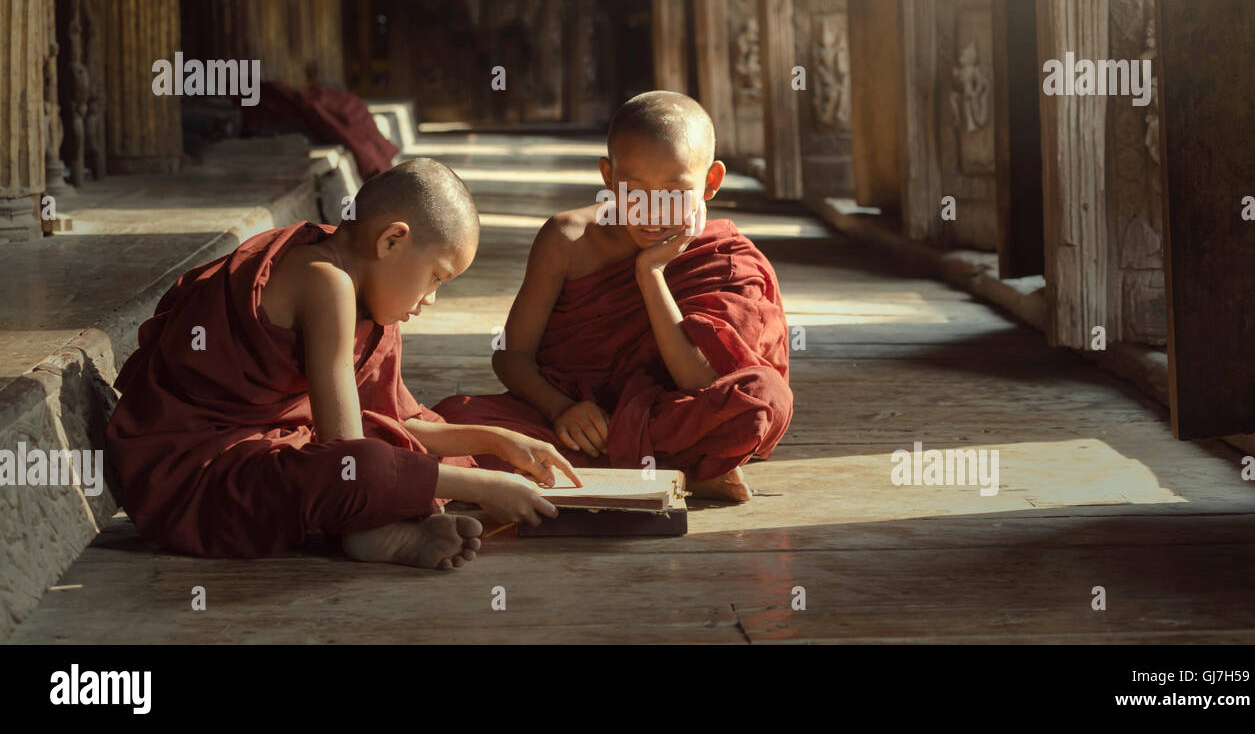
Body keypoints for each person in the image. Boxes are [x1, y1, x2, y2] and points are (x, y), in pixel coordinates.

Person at [107, 158, 578, 568]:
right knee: (374, 465)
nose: (432, 299)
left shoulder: (364, 294)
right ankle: (364, 527)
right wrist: (482, 487)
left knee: (407, 439)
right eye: (436, 277)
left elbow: (398, 419)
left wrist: (499, 440)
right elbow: (348, 453)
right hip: (194, 479)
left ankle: (362, 529)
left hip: (268, 445)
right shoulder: (324, 281)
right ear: (393, 240)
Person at [436, 91, 793, 501]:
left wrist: (650, 271)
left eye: (674, 192)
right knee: (451, 419)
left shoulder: (724, 257)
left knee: (761, 399)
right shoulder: (568, 239)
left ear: (711, 181)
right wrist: (561, 409)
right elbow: (511, 356)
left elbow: (700, 381)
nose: (652, 211)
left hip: (665, 414)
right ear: (608, 177)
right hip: (572, 423)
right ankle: (680, 473)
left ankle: (587, 470)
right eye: (633, 190)